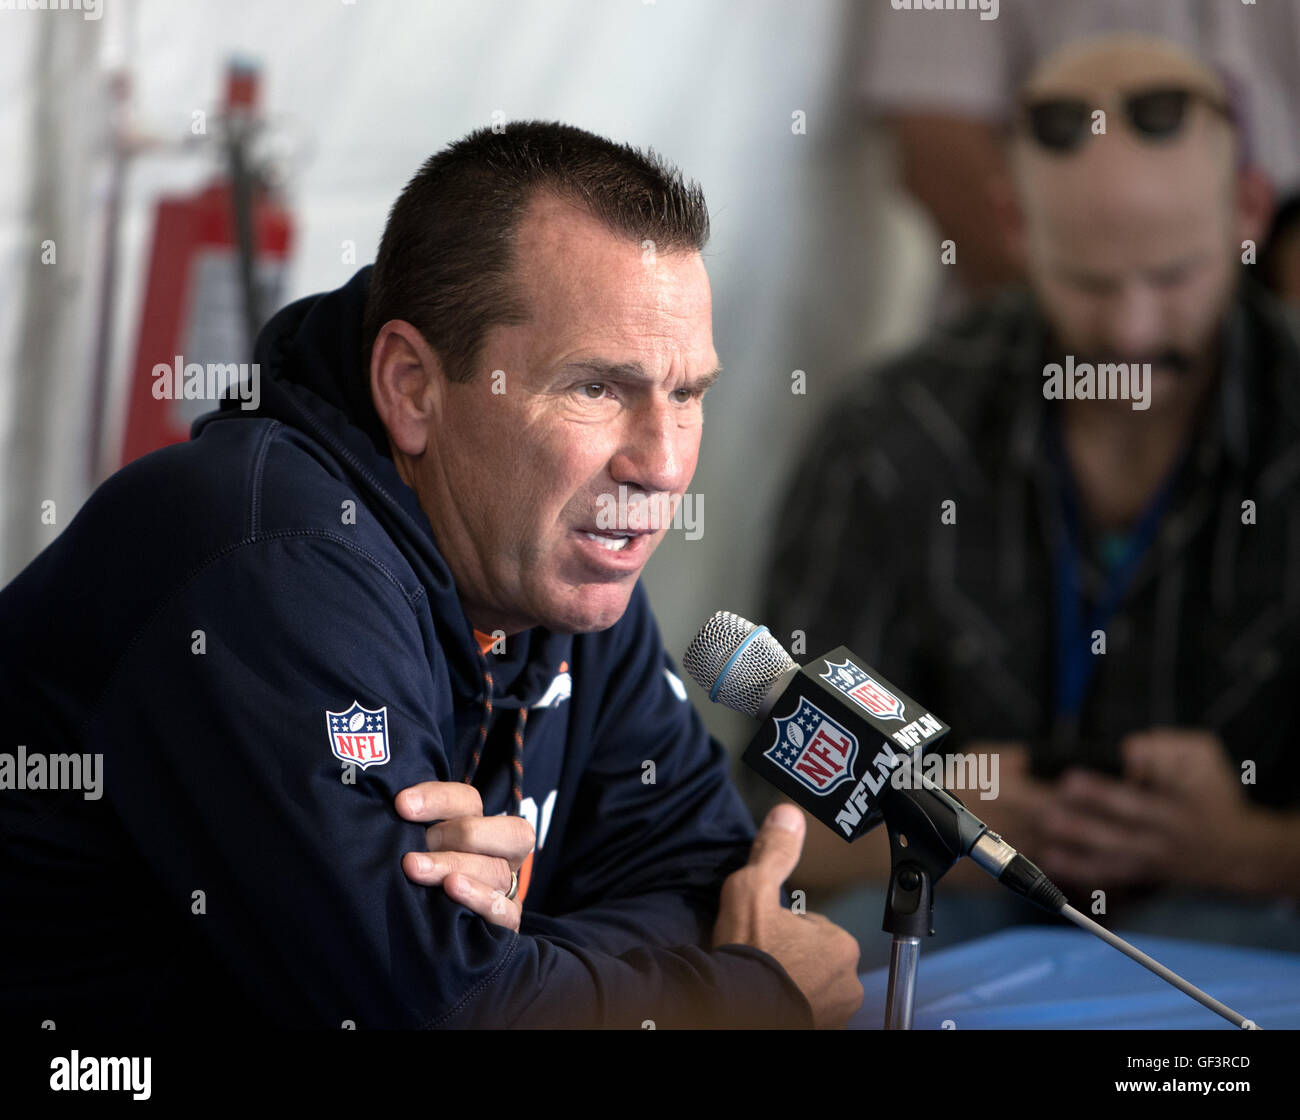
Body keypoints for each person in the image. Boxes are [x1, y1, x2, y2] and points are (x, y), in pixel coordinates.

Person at [0, 121, 862, 1029]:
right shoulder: (269, 560)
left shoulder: (559, 565)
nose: (660, 464)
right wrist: (740, 1001)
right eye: (596, 389)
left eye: (687, 395)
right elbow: (432, 1020)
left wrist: (515, 961)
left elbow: (706, 879)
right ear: (413, 387)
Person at [764, 37, 1300, 962]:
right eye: (1089, 283)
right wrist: (923, 814)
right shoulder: (896, 440)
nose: (1131, 332)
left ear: (1251, 209)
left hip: (1247, 925)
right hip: (959, 922)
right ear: (1013, 222)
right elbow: (773, 823)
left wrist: (1249, 849)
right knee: (834, 958)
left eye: (1174, 277)